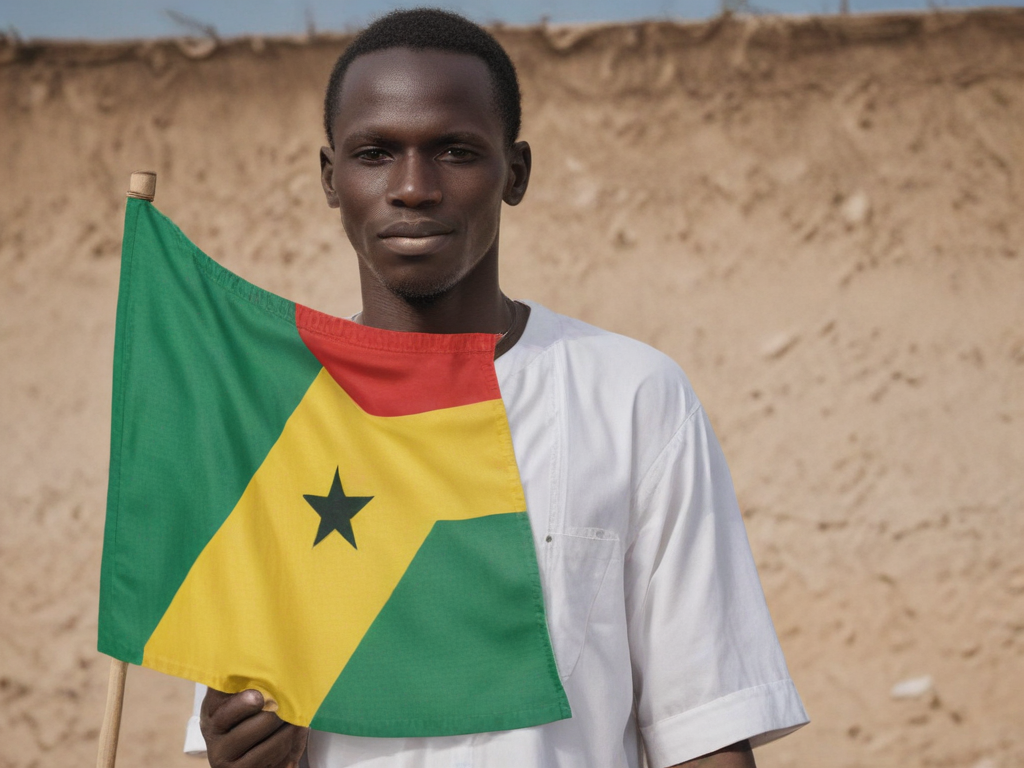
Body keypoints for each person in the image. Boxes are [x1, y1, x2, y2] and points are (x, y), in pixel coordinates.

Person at [186, 8, 809, 768]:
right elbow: (232, 727)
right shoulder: (266, 423)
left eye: (455, 151)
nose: (413, 188)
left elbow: (705, 733)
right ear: (331, 178)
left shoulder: (634, 397)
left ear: (514, 173)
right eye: (377, 153)